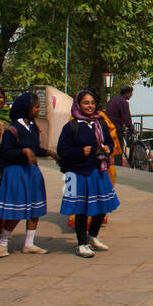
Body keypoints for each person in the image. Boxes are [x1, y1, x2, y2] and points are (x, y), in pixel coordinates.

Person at [56, 89, 120, 258]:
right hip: (78, 173)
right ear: (78, 105)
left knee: (102, 206)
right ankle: (81, 243)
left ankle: (93, 236)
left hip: (98, 170)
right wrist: (80, 151)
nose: (90, 106)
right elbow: (62, 150)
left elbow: (109, 142)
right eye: (86, 103)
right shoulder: (71, 127)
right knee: (81, 209)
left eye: (92, 103)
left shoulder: (100, 123)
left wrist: (108, 148)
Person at [0, 92, 56, 255]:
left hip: (31, 172)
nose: (38, 110)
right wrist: (24, 151)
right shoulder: (13, 129)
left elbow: (35, 149)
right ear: (26, 108)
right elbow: (6, 153)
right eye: (36, 107)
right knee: (16, 210)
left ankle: (29, 243)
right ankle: (3, 242)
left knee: (35, 208)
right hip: (16, 172)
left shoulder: (32, 127)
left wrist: (49, 152)